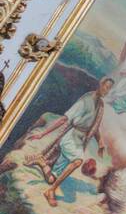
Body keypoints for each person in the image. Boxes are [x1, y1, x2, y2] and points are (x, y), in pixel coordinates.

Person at [20, 77, 115, 206]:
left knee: (51, 178)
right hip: (70, 138)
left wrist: (100, 142)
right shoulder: (85, 101)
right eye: (106, 86)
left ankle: (42, 163)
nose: (107, 90)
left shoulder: (100, 105)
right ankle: (51, 191)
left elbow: (94, 126)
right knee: (77, 161)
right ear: (101, 84)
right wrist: (42, 133)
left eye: (110, 89)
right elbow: (64, 119)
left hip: (80, 142)